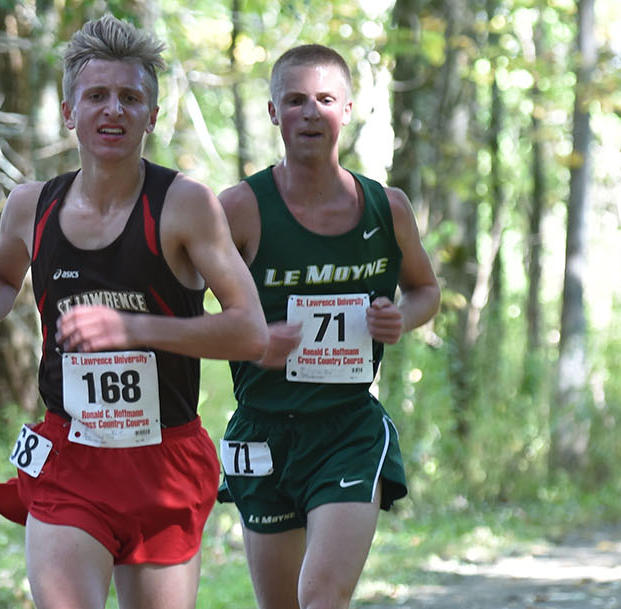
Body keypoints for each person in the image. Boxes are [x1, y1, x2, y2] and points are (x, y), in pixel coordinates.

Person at [0, 15, 268, 609]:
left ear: (150, 113)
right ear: (70, 112)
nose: (112, 110)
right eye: (96, 96)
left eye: (129, 97)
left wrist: (134, 328)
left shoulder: (185, 206)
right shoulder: (29, 208)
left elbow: (250, 331)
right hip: (71, 456)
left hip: (164, 460)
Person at [216, 44, 441, 609]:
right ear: (273, 113)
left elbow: (425, 290)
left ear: (348, 108)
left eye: (324, 99)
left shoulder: (385, 207)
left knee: (320, 596)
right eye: (294, 100)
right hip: (263, 430)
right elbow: (181, 307)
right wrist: (251, 338)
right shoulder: (239, 208)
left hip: (347, 428)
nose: (310, 113)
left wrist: (401, 318)